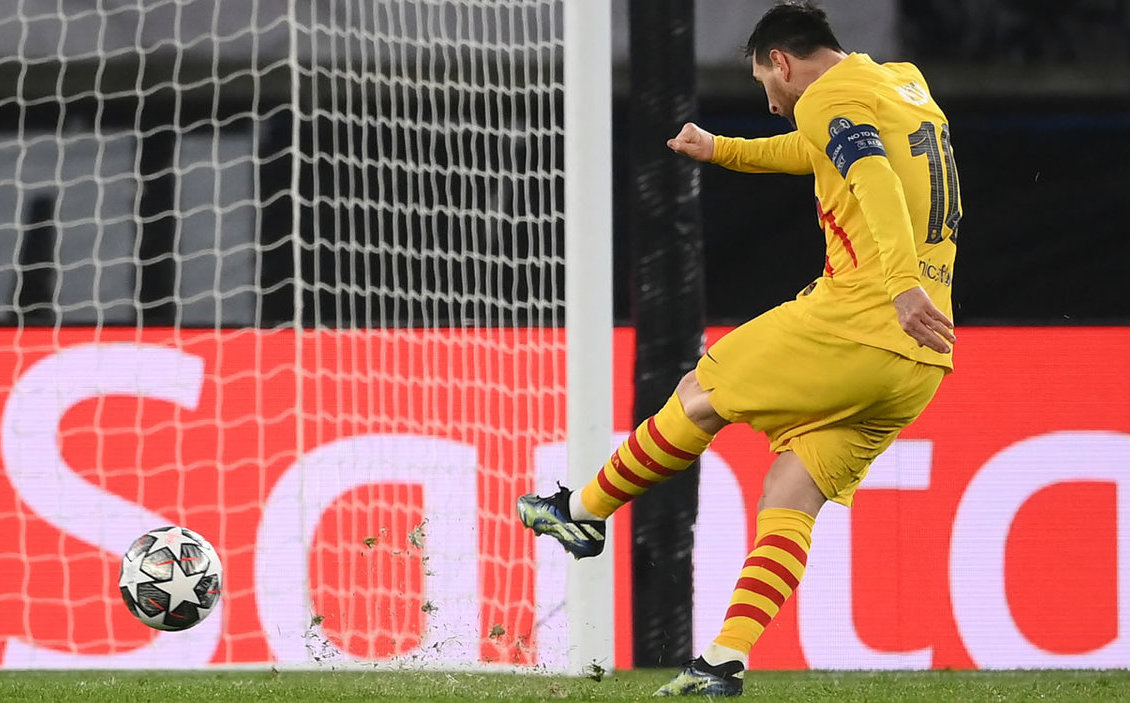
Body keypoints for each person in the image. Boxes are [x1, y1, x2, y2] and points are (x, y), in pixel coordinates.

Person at [517, 0, 961, 696]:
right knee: (792, 488)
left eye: (764, 84)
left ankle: (583, 514)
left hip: (865, 317)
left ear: (782, 63)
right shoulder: (899, 81)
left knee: (702, 389)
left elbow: (868, 173)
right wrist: (720, 148)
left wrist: (902, 288)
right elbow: (825, 151)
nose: (774, 102)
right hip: (921, 361)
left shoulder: (826, 96)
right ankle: (722, 660)